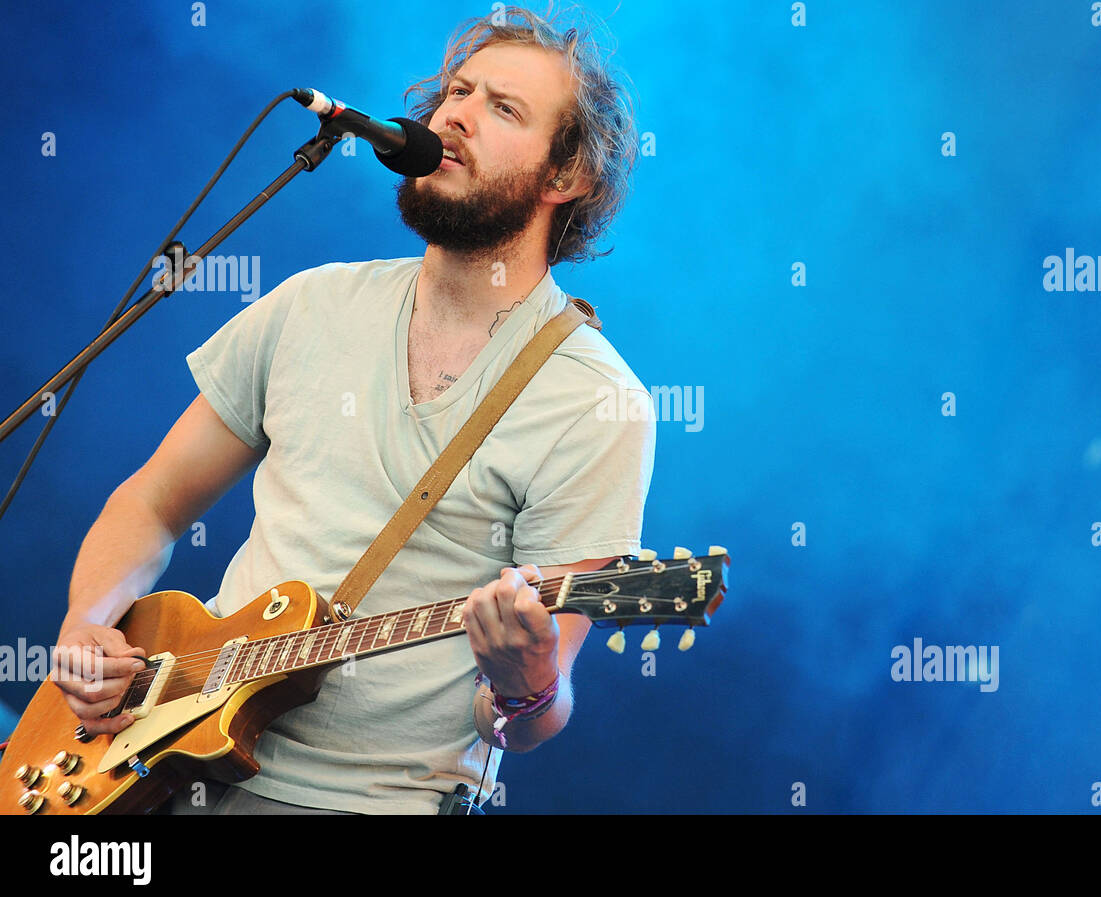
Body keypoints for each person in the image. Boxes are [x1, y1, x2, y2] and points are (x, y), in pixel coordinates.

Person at [51, 6, 653, 815]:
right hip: (167, 763)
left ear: (565, 177)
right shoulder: (311, 304)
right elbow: (154, 501)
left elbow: (528, 720)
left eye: (502, 108)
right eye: (456, 92)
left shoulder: (594, 402)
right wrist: (86, 627)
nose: (454, 115)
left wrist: (525, 683)